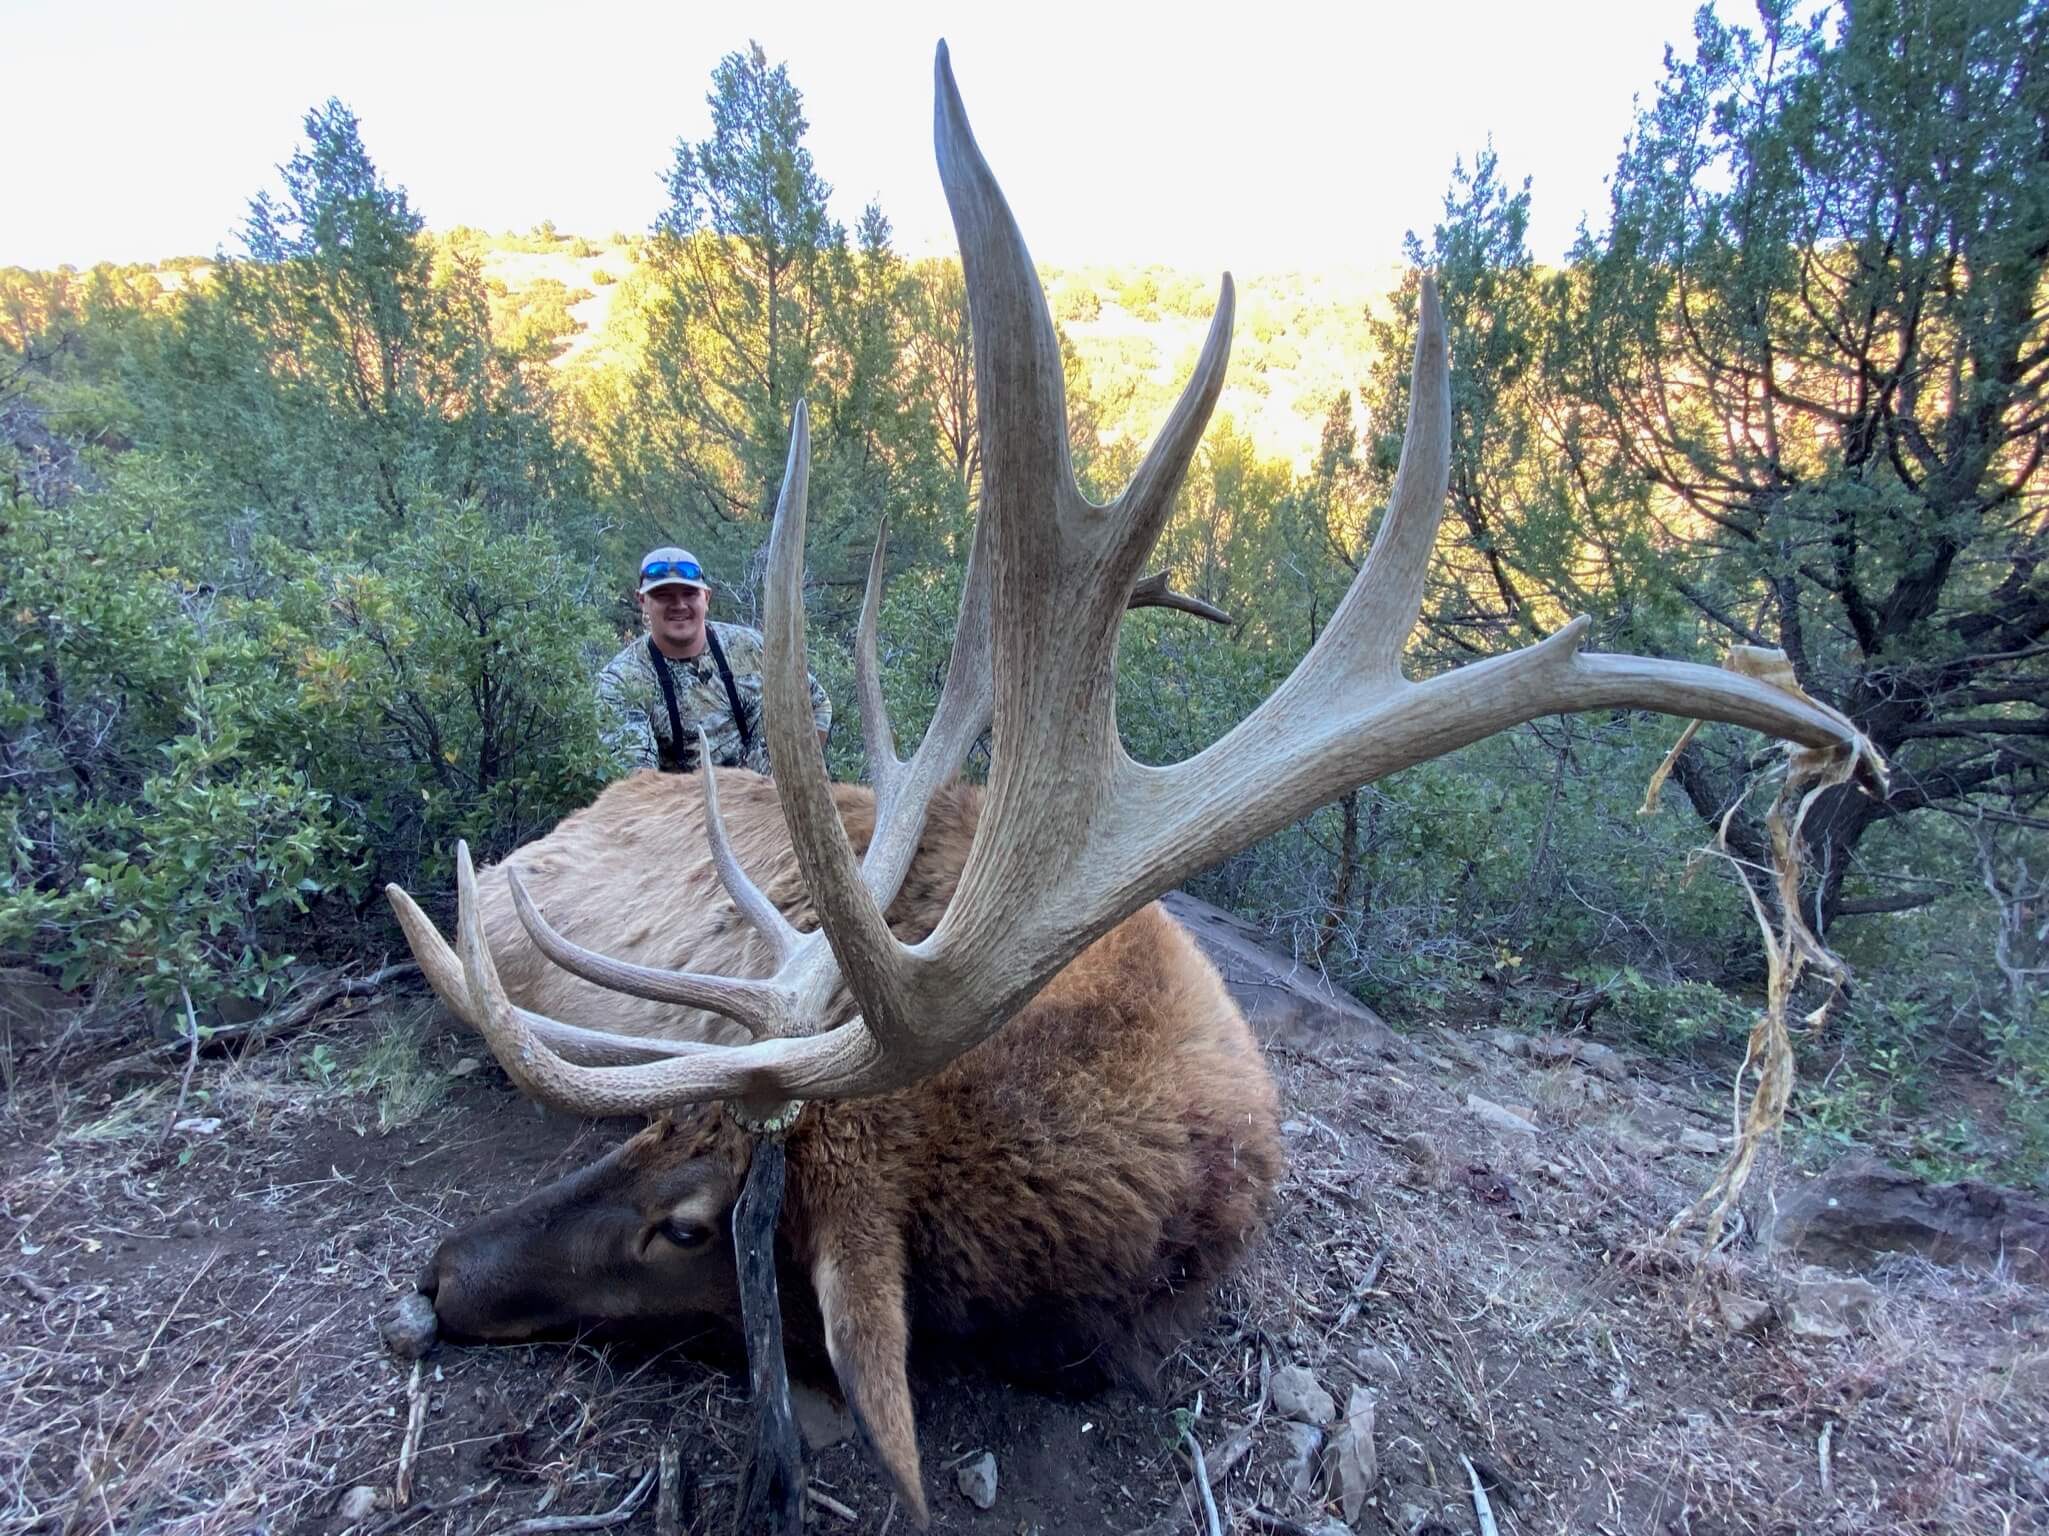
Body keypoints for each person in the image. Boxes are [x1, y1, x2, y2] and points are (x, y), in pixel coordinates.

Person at [597, 546, 831, 777]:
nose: (679, 605)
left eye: (689, 594)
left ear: (706, 597)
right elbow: (638, 781)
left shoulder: (751, 648)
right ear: (642, 600)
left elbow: (815, 704)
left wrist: (796, 778)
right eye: (663, 595)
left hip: (766, 798)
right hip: (683, 808)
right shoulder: (621, 680)